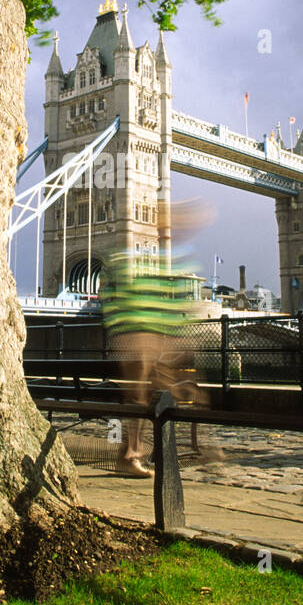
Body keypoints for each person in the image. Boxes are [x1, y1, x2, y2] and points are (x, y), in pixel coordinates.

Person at [99, 200, 215, 477]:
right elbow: (153, 300)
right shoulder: (146, 252)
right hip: (142, 341)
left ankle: (133, 453)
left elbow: (131, 297)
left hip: (147, 340)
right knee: (142, 398)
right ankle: (131, 455)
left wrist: (119, 326)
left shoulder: (168, 253)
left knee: (149, 396)